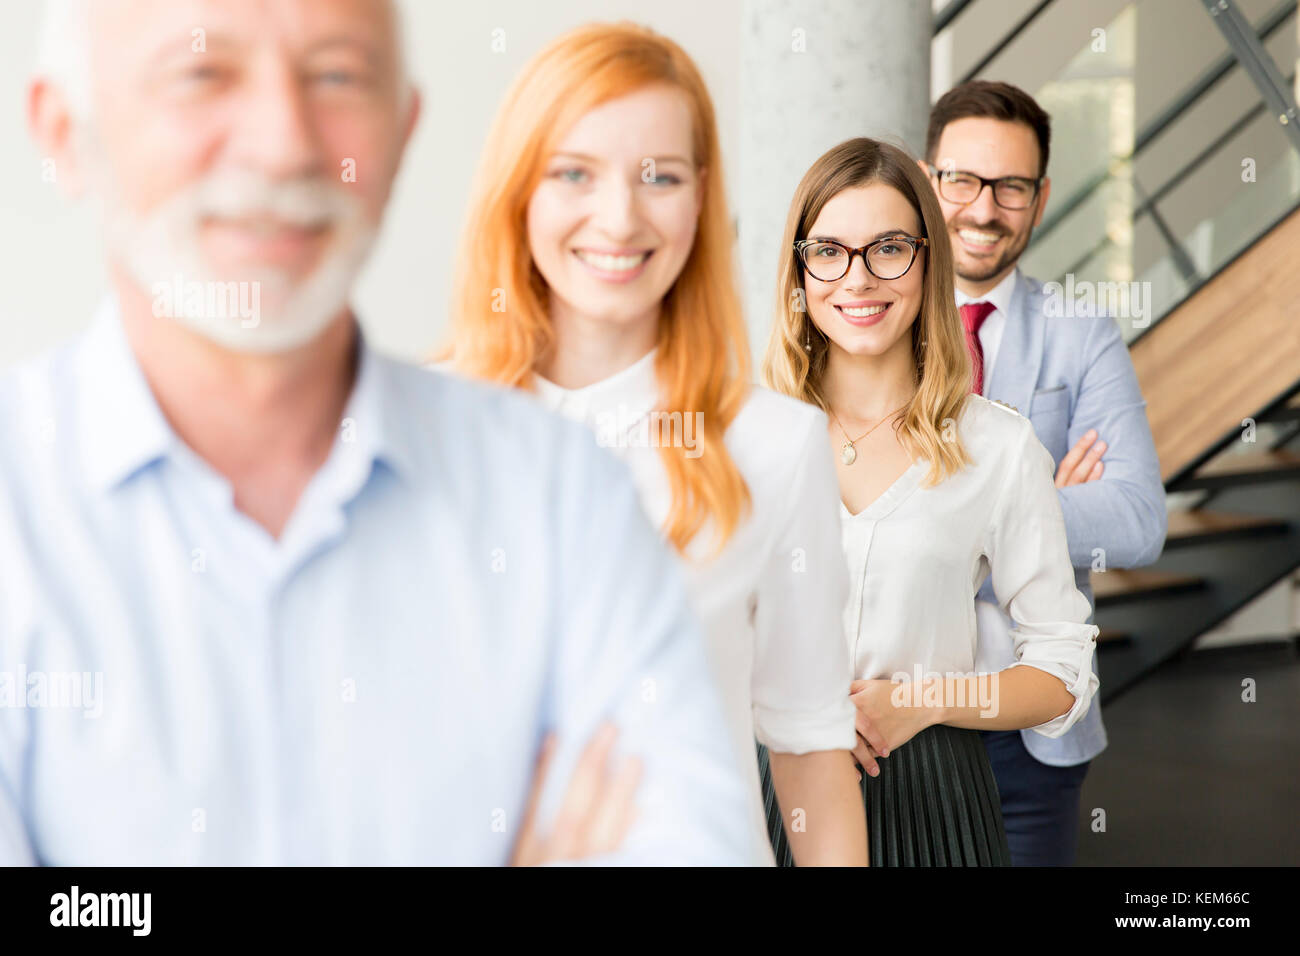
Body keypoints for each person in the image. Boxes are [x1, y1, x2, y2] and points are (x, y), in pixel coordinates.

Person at [0, 0, 756, 866]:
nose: (284, 143)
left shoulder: (565, 497)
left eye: (336, 75)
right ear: (63, 132)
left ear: (401, 132)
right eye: (203, 74)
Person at [438, 22, 866, 866]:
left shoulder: (777, 444)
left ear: (701, 195)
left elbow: (812, 745)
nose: (619, 216)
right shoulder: (424, 431)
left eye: (658, 176)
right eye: (574, 173)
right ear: (521, 189)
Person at [763, 137, 1100, 866]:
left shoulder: (998, 447)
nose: (858, 278)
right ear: (799, 267)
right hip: (766, 791)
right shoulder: (745, 439)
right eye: (828, 251)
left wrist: (920, 701)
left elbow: (1063, 674)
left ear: (927, 259)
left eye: (888, 248)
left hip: (932, 800)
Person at [922, 80, 1167, 866]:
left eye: (1011, 187)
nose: (984, 209)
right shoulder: (869, 319)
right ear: (929, 180)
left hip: (1034, 739)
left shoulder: (1081, 333)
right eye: (962, 180)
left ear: (1041, 195)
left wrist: (952, 526)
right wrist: (1036, 505)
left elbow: (1136, 521)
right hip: (895, 715)